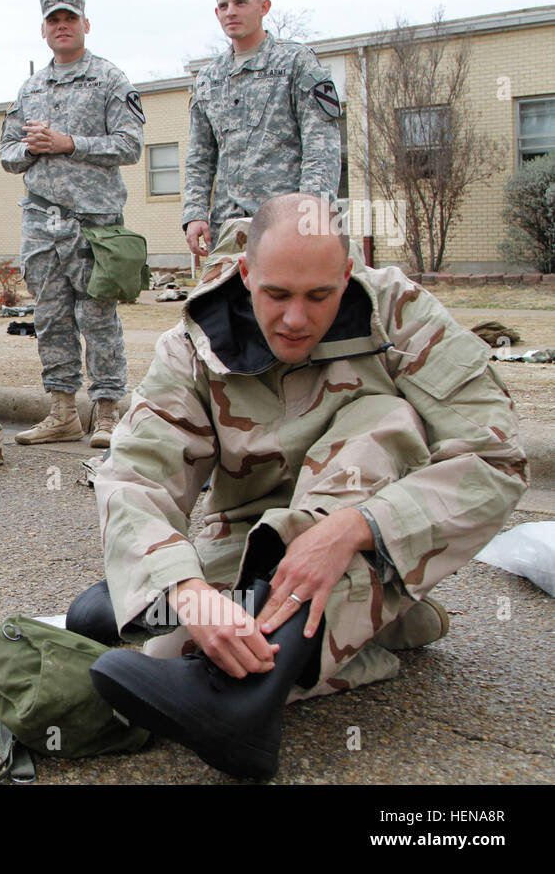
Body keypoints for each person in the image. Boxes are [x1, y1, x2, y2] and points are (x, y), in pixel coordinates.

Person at [73, 193, 527, 779]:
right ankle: (361, 627)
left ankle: (240, 702)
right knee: (120, 622)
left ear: (346, 275)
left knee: (383, 419)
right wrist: (186, 590)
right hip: (250, 540)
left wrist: (352, 528)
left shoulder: (399, 313)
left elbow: (498, 457)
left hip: (369, 528)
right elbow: (135, 474)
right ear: (246, 274)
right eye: (277, 295)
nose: (296, 319)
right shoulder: (193, 344)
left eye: (319, 296)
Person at [0, 0, 144, 447]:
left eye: (70, 18)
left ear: (85, 24)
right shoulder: (30, 88)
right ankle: (62, 412)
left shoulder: (110, 79)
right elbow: (5, 151)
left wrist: (69, 143)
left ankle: (106, 414)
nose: (62, 26)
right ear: (43, 30)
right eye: (54, 20)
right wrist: (29, 148)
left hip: (94, 221)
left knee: (98, 316)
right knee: (51, 316)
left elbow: (130, 144)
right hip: (42, 221)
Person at [182, 0, 342, 259]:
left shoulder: (296, 62)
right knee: (225, 305)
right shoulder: (208, 78)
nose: (230, 12)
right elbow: (199, 156)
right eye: (223, 5)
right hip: (227, 226)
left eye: (240, 3)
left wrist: (309, 214)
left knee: (283, 303)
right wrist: (194, 213)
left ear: (263, 7)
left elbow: (321, 147)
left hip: (285, 223)